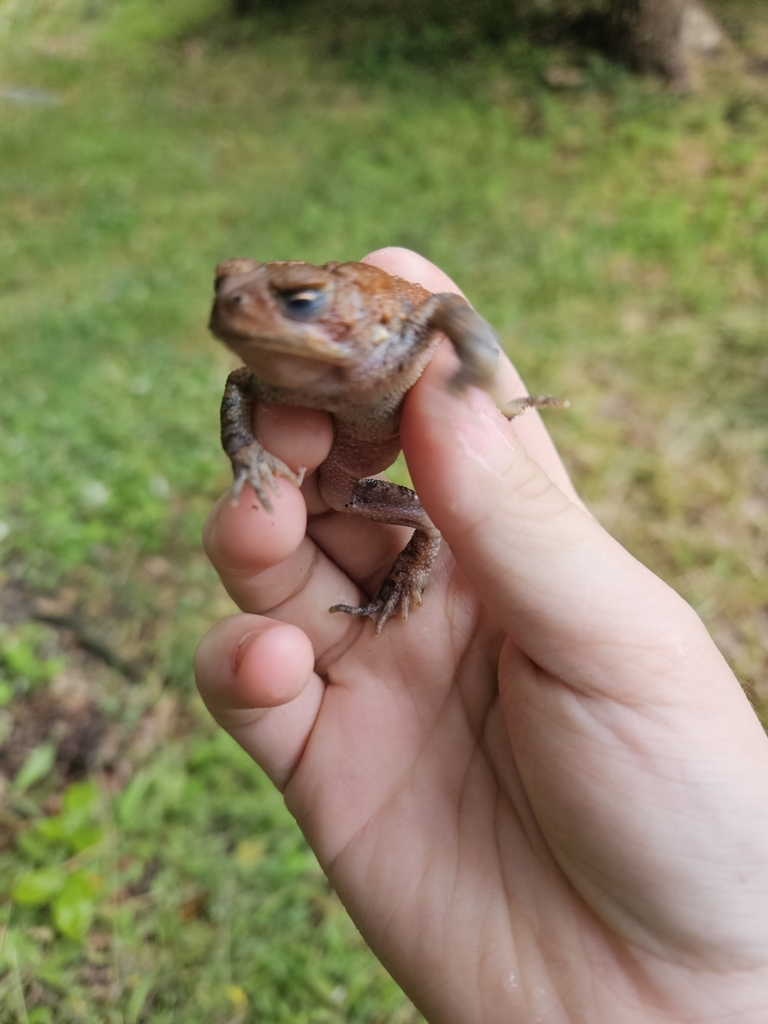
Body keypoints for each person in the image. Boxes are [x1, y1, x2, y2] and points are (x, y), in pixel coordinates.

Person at [194, 248, 768, 1023]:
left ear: (347, 312)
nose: (240, 312)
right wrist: (247, 453)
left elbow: (433, 306)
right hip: (343, 466)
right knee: (330, 492)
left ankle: (415, 565)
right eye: (229, 295)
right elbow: (238, 384)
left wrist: (479, 364)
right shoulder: (268, 376)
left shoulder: (388, 335)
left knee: (422, 504)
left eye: (293, 301)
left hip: (401, 431)